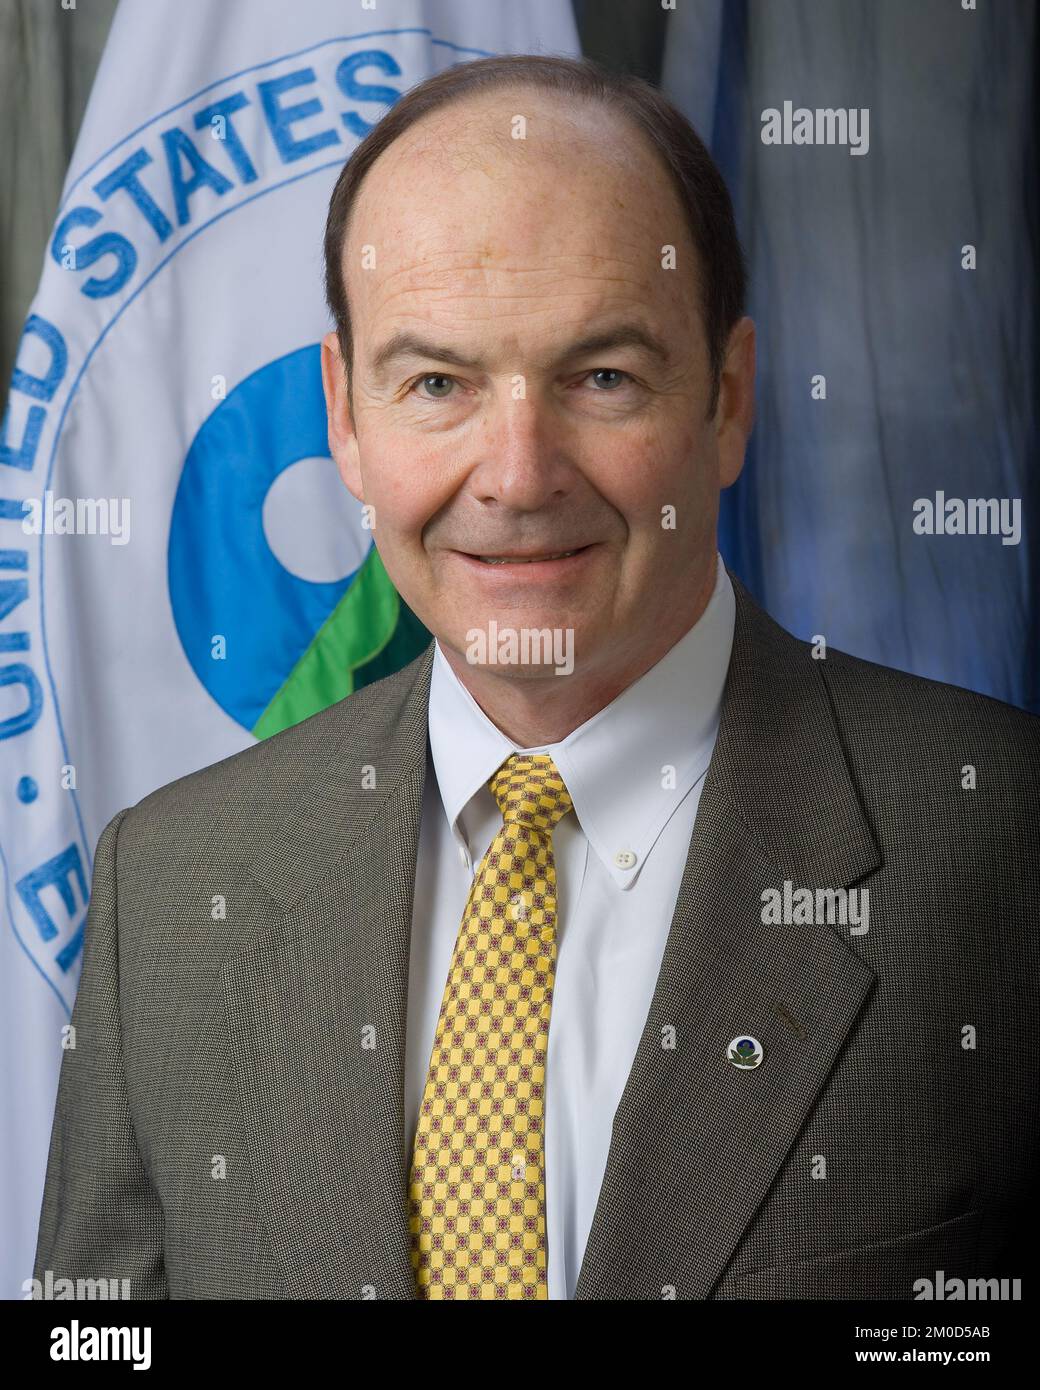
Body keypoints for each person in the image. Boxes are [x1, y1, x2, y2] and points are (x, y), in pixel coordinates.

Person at [34, 54, 1037, 1301]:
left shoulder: (1000, 843)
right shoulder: (169, 894)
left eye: (600, 377)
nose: (514, 476)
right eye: (438, 384)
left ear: (726, 401)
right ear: (345, 416)